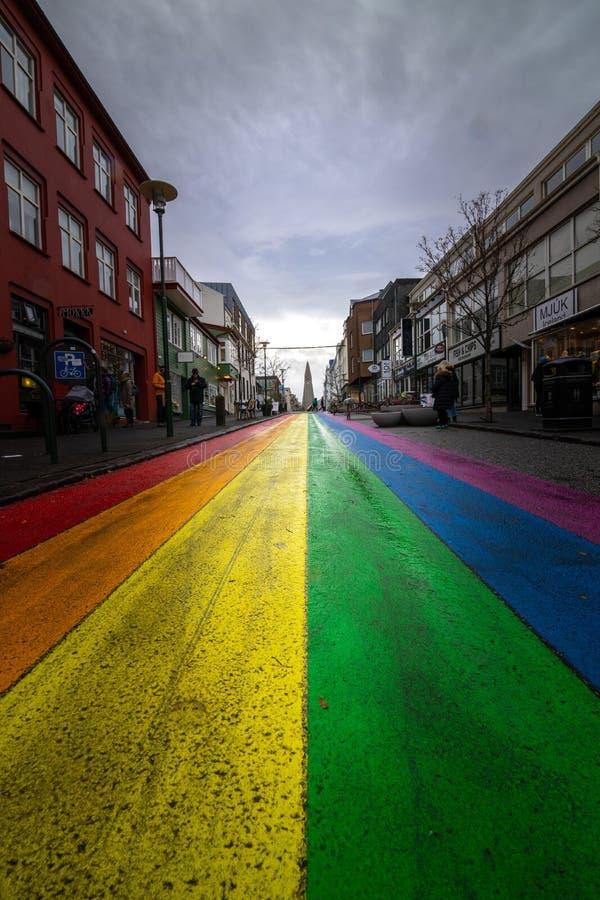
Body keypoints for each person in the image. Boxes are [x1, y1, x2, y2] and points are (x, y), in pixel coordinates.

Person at [432, 362, 458, 429]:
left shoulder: (440, 375)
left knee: (440, 410)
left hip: (441, 395)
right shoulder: (450, 375)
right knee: (444, 410)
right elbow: (455, 384)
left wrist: (432, 389)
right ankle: (445, 423)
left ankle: (441, 424)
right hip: (448, 395)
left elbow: (436, 386)